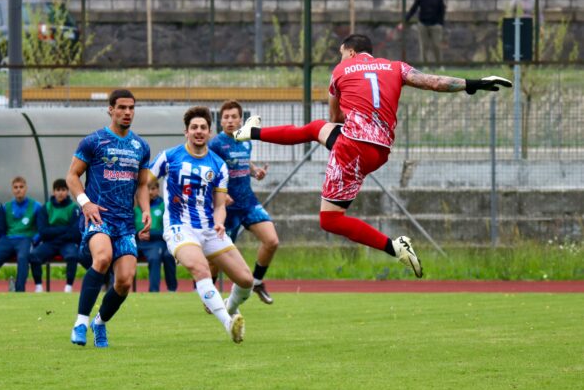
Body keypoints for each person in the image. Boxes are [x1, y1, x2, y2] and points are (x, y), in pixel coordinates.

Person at [234, 34, 512, 278]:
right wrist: (473, 83)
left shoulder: (342, 69)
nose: (341, 57)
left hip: (352, 145)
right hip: (379, 151)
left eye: (341, 53)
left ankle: (394, 246)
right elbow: (434, 82)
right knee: (315, 129)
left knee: (329, 219)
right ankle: (253, 131)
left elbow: (335, 117)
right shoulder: (396, 67)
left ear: (350, 51)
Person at [150, 106, 249, 343]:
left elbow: (219, 205)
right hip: (179, 227)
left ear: (209, 132)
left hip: (209, 228)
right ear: (186, 132)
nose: (198, 131)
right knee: (202, 270)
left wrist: (219, 223)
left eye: (203, 127)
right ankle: (228, 323)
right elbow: (145, 182)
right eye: (194, 127)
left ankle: (229, 306)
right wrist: (145, 210)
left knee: (246, 280)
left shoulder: (218, 164)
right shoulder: (169, 157)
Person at [67, 88, 152, 348]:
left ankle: (99, 323)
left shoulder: (141, 146)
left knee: (125, 281)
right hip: (99, 217)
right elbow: (72, 177)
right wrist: (86, 203)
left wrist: (145, 209)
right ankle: (80, 322)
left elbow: (141, 185)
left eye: (131, 108)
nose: (127, 112)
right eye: (122, 108)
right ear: (111, 109)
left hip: (125, 223)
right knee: (102, 257)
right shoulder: (94, 141)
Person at [209, 100, 279, 305]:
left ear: (241, 120)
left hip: (248, 202)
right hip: (227, 208)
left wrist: (255, 171)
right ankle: (209, 293)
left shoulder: (246, 140)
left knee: (272, 241)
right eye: (226, 117)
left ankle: (257, 281)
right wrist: (219, 194)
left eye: (234, 117)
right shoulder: (216, 144)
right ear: (220, 120)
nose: (230, 121)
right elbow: (209, 170)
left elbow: (243, 161)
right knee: (217, 258)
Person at [0, 176, 41, 292]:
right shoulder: (6, 207)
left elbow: (41, 228)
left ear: (26, 188)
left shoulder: (36, 206)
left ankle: (19, 291)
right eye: (15, 187)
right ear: (12, 190)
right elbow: (1, 227)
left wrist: (34, 240)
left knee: (23, 258)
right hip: (8, 239)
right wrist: (0, 240)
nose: (18, 189)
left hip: (25, 239)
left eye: (21, 187)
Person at [29, 178, 86, 294]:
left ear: (67, 191)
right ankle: (38, 287)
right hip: (50, 243)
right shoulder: (46, 208)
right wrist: (64, 230)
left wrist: (54, 231)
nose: (60, 193)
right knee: (33, 256)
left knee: (72, 256)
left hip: (67, 243)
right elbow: (43, 231)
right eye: (58, 190)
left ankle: (68, 287)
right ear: (53, 192)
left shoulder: (74, 208)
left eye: (63, 190)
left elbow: (74, 232)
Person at [134, 179, 178, 293]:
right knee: (120, 255)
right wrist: (138, 234)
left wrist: (151, 234)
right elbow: (129, 227)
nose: (149, 192)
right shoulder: (135, 208)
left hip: (157, 242)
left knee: (156, 257)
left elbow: (168, 229)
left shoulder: (163, 206)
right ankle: (118, 289)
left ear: (158, 190)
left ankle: (155, 291)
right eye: (147, 189)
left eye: (153, 189)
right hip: (137, 242)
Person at [400, 0, 446, 64]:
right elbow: (413, 9)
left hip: (436, 24)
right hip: (423, 24)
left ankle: (440, 65)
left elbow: (442, 10)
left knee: (437, 45)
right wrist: (404, 22)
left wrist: (440, 23)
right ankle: (425, 65)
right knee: (424, 46)